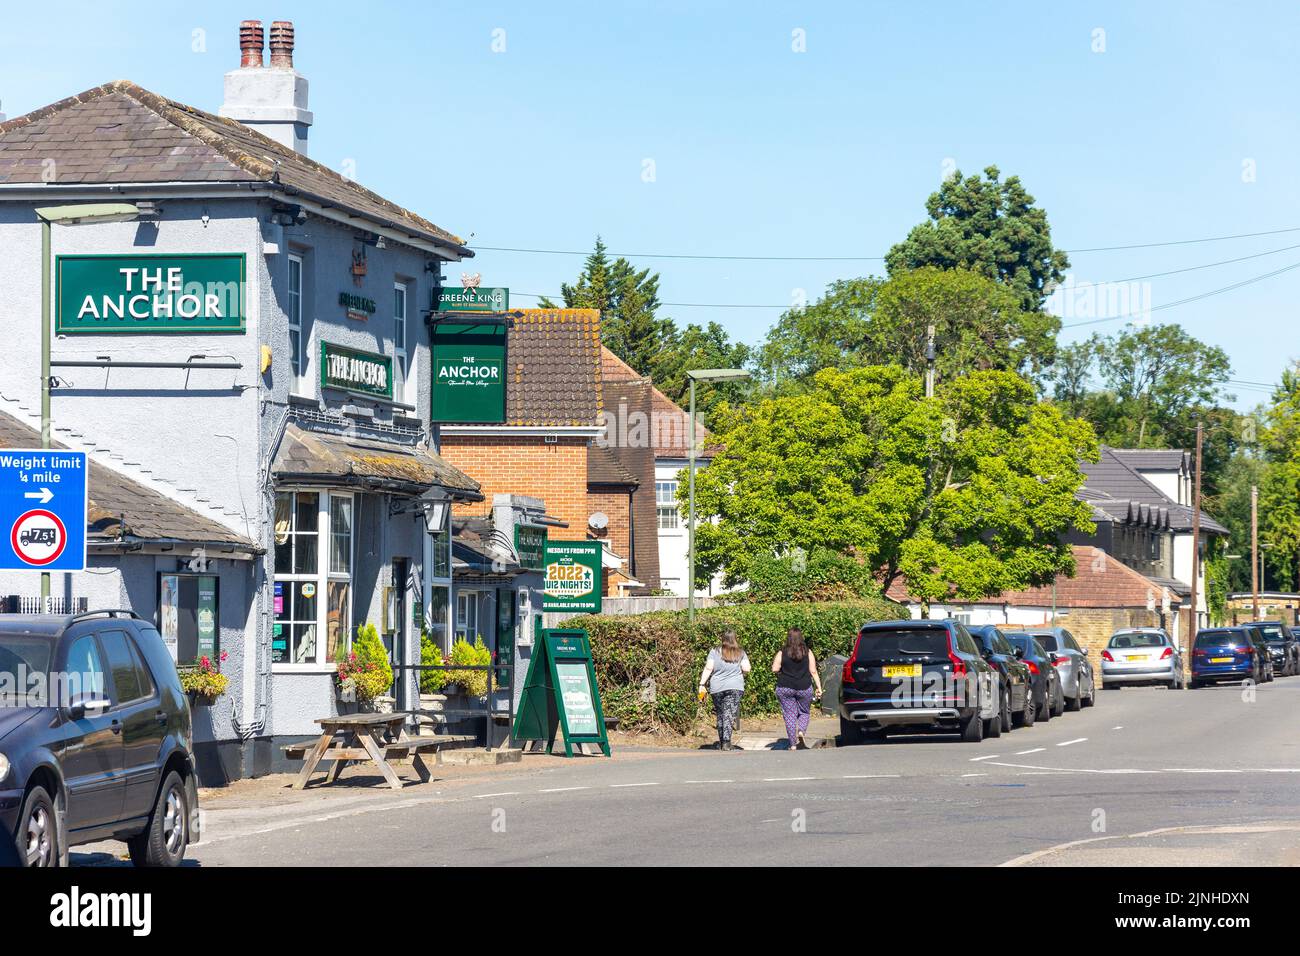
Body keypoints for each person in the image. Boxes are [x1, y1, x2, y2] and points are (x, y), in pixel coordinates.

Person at [698, 630, 751, 751]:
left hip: (717, 687)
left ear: (722, 639)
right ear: (735, 639)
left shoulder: (714, 651)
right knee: (728, 714)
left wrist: (702, 684)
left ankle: (722, 741)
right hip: (735, 687)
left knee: (721, 714)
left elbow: (708, 667)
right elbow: (747, 668)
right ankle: (726, 742)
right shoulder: (740, 652)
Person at [772, 628, 821, 750]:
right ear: (801, 637)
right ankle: (801, 732)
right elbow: (813, 671)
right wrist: (819, 687)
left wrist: (783, 671)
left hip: (785, 687)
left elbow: (774, 669)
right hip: (804, 687)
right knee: (804, 712)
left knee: (790, 714)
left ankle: (793, 744)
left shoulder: (781, 652)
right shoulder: (807, 652)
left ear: (788, 637)